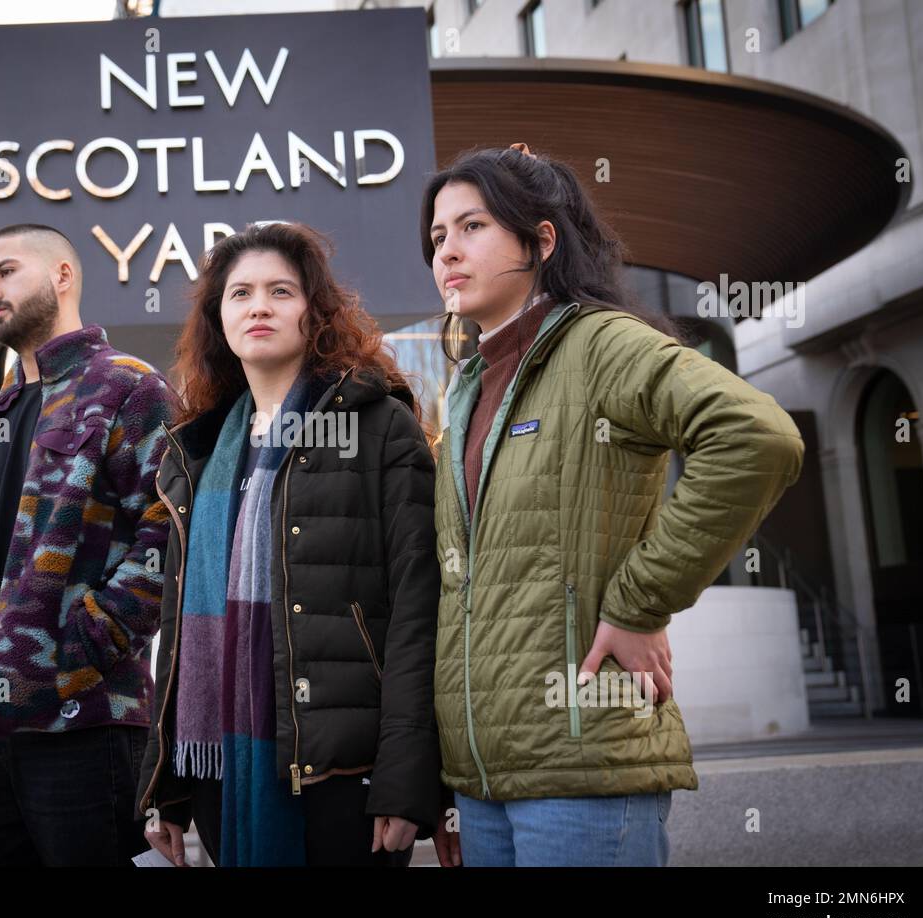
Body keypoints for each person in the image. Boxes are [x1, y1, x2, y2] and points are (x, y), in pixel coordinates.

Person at [423, 144, 806, 867]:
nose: (448, 251)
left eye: (472, 227)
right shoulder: (467, 387)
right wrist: (449, 778)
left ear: (541, 240)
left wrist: (640, 602)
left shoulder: (600, 343)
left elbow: (757, 437)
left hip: (583, 768)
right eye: (438, 237)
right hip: (481, 783)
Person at [136, 222, 441, 867]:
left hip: (341, 764)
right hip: (218, 766)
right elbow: (177, 626)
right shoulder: (197, 451)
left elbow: (420, 606)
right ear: (219, 319)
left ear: (314, 311)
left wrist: (407, 777)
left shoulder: (377, 424)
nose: (260, 306)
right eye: (240, 293)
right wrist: (162, 787)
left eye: (282, 291)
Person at [0, 223, 171, 866]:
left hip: (87, 720)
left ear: (62, 276)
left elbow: (170, 535)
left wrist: (75, 653)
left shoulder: (129, 387)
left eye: (5, 271)